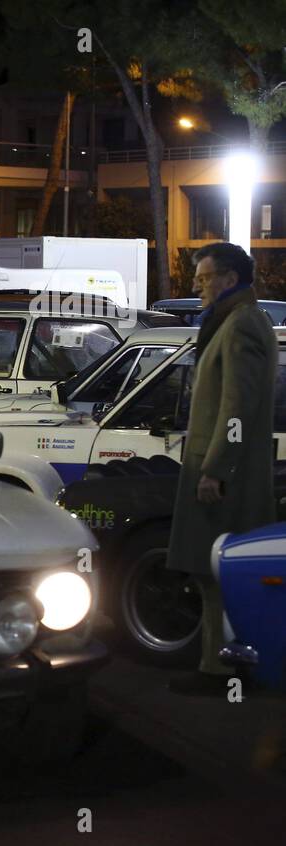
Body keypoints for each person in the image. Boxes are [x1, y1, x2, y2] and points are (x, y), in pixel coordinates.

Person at [166, 242, 278, 695]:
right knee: (213, 573)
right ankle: (221, 665)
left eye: (205, 276)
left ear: (230, 279)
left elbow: (238, 407)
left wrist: (216, 469)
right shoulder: (234, 320)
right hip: (223, 472)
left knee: (219, 572)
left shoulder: (241, 325)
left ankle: (223, 671)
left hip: (225, 478)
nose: (197, 284)